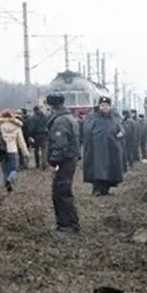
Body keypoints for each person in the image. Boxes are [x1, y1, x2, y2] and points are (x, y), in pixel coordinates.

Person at [46, 94, 81, 233]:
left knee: (61, 193)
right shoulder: (69, 118)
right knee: (63, 192)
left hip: (64, 161)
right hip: (69, 159)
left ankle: (68, 224)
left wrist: (54, 161)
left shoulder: (60, 121)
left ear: (52, 106)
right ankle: (68, 223)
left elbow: (60, 144)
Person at [83, 96, 125, 196]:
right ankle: (97, 189)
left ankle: (106, 189)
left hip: (111, 147)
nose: (104, 107)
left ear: (110, 106)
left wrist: (121, 133)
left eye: (106, 105)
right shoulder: (93, 117)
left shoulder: (114, 117)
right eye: (102, 105)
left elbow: (121, 129)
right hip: (97, 149)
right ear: (99, 106)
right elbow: (87, 131)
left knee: (110, 168)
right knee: (97, 168)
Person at [0, 109, 30, 192]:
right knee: (15, 169)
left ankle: (7, 183)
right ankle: (10, 180)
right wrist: (25, 153)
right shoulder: (17, 125)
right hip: (13, 150)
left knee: (5, 169)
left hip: (2, 150)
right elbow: (21, 141)